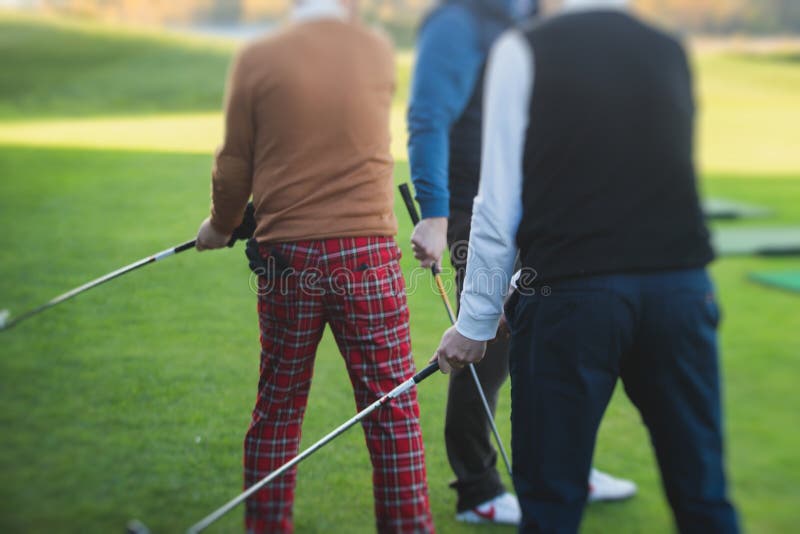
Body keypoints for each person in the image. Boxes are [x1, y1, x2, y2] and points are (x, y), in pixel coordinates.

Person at [433, 0, 742, 531]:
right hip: (682, 291)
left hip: (575, 302)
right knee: (703, 495)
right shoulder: (667, 47)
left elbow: (496, 205)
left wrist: (475, 323)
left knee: (552, 501)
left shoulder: (521, 46)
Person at [195, 0, 434, 531]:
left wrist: (221, 223)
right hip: (366, 253)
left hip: (290, 256)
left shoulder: (259, 56)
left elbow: (236, 159)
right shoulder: (376, 49)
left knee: (278, 407)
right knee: (391, 405)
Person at [406, 0, 635, 525]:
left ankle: (566, 464)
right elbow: (428, 115)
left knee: (554, 331)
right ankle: (477, 487)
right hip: (474, 206)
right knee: (486, 339)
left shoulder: (533, 19)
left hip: (542, 203)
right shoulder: (457, 21)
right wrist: (436, 214)